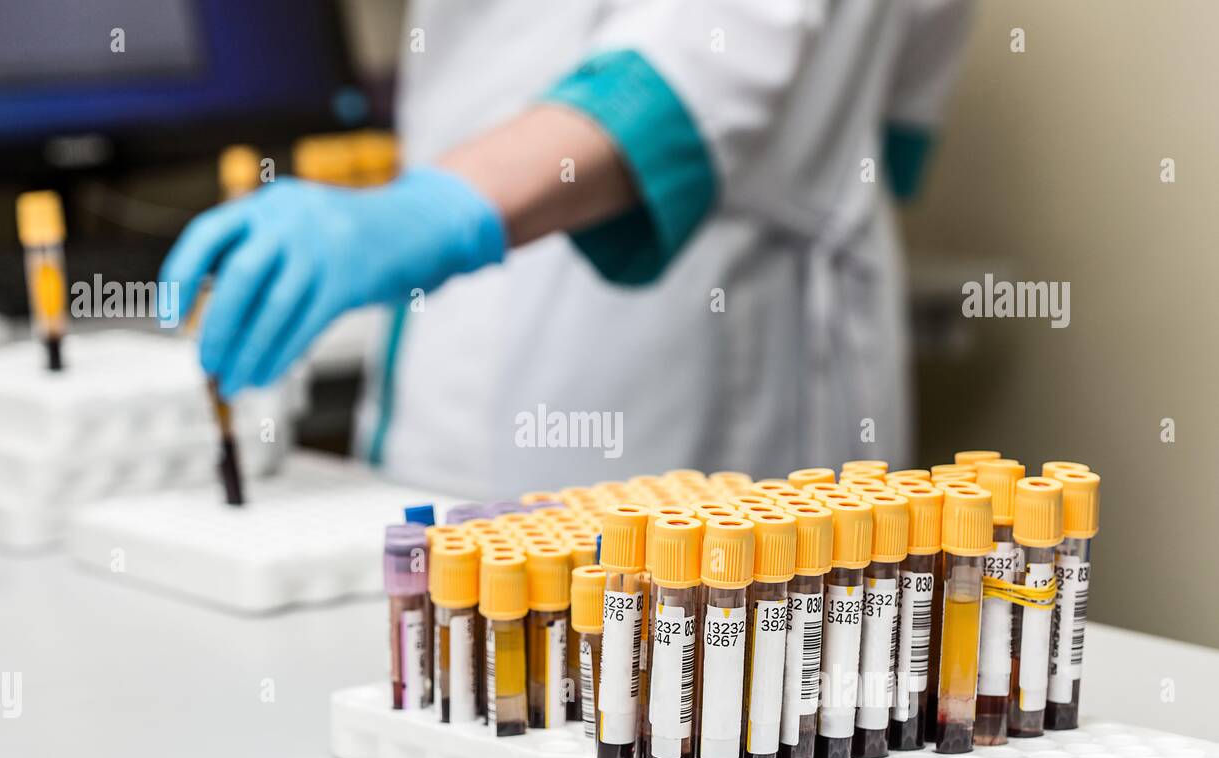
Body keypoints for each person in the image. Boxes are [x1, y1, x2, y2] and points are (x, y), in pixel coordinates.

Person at [162, 0, 974, 499]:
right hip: (479, 287)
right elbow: (908, 105)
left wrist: (434, 210)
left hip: (681, 334)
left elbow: (689, 70)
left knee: (677, 709)